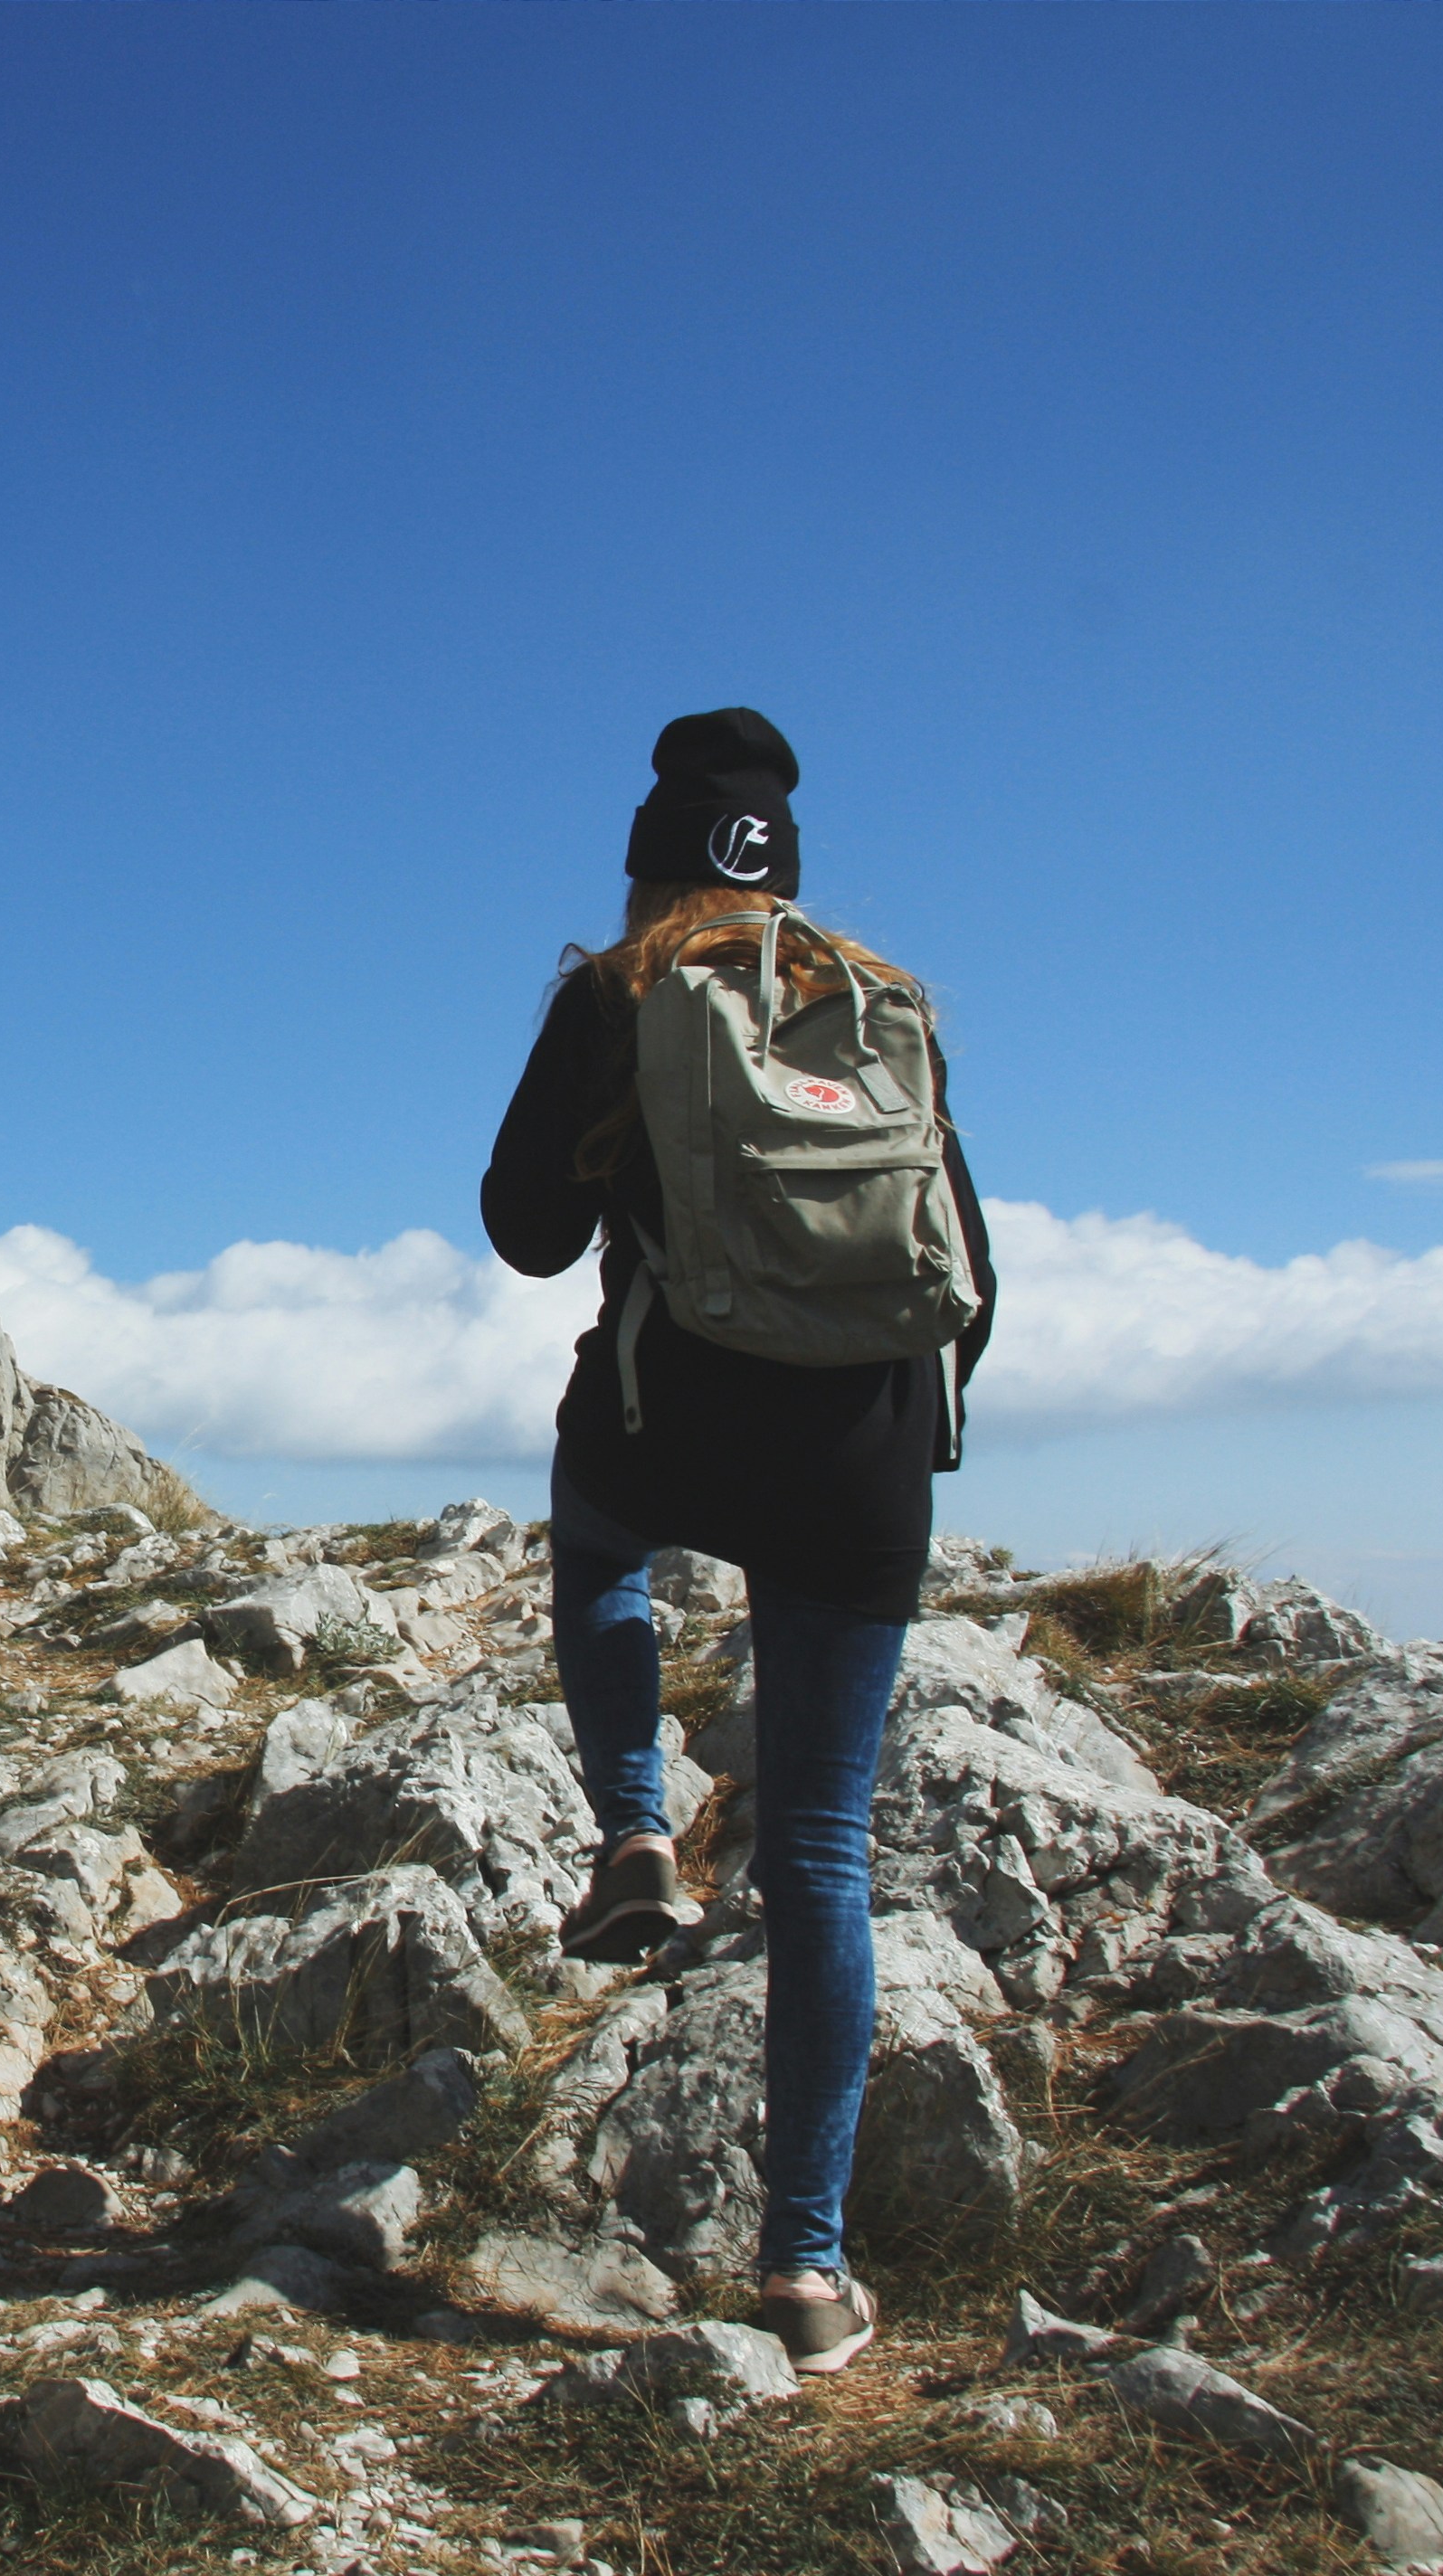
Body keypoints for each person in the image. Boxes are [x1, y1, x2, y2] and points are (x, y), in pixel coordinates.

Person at [478, 706, 996, 2375]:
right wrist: (894, 1433)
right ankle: (807, 2272)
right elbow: (964, 1263)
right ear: (785, 866)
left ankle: (634, 1827)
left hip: (678, 1424)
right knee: (824, 1853)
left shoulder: (621, 992)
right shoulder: (869, 998)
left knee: (596, 1526)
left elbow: (525, 1234)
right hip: (867, 1459)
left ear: (649, 869)